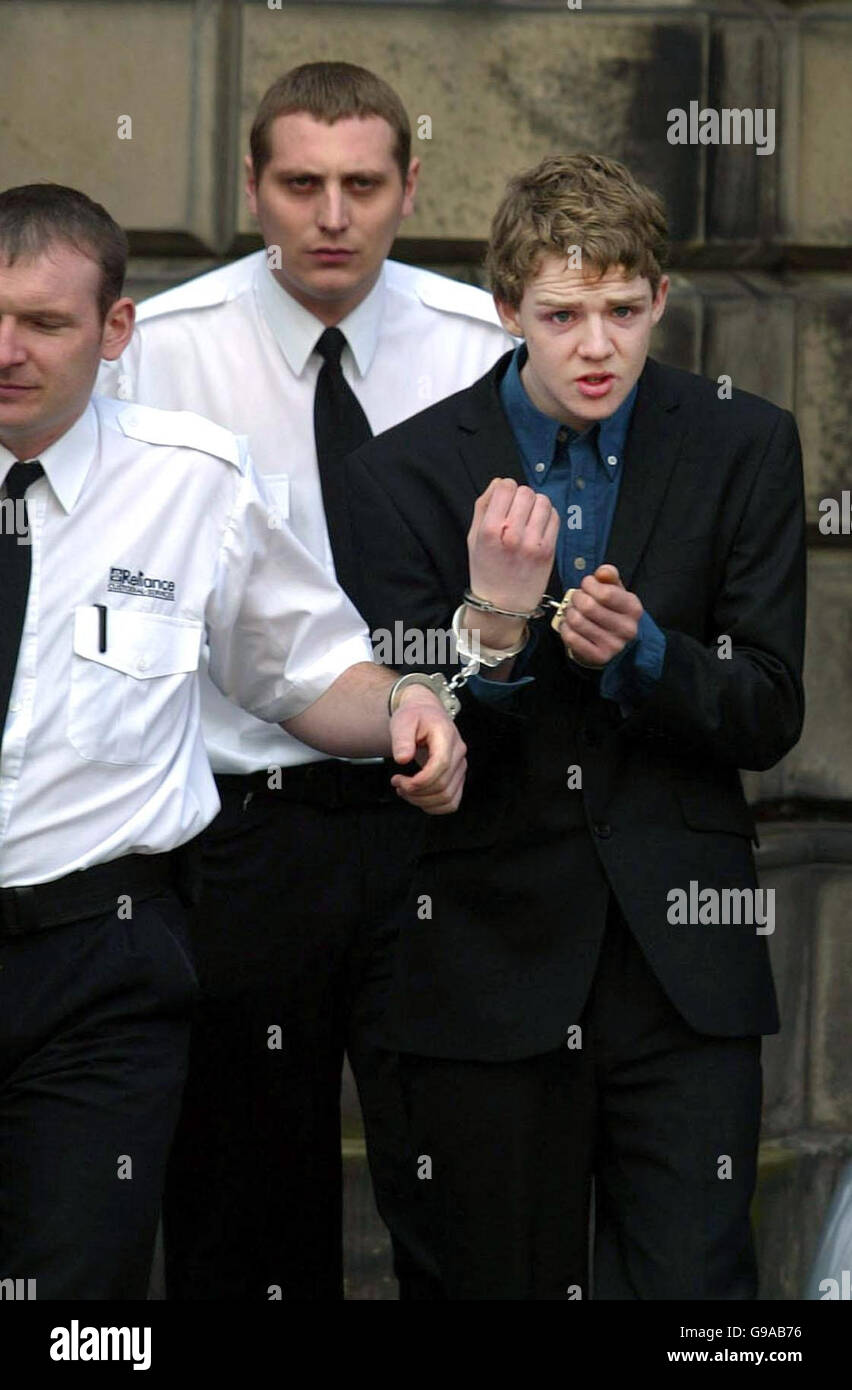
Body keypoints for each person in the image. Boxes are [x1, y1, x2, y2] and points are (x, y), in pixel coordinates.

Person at [340, 152, 807, 1299]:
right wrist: (494, 623)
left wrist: (647, 655)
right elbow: (402, 728)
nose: (596, 345)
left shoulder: (744, 441)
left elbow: (770, 710)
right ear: (508, 311)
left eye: (621, 309)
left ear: (658, 299)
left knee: (699, 1288)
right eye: (561, 314)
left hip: (680, 967)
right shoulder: (403, 473)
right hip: (487, 956)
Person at [0, 182, 465, 1300]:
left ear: (117, 332)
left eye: (45, 323)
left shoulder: (189, 479)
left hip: (94, 962)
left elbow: (307, 672)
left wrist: (409, 703)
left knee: (76, 1290)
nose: (7, 350)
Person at [97, 60, 511, 1300]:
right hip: (245, 839)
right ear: (252, 187)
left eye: (363, 185)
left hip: (448, 827)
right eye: (301, 184)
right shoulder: (159, 353)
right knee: (240, 1210)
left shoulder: (481, 347)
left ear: (408, 185)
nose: (333, 217)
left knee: (466, 1194)